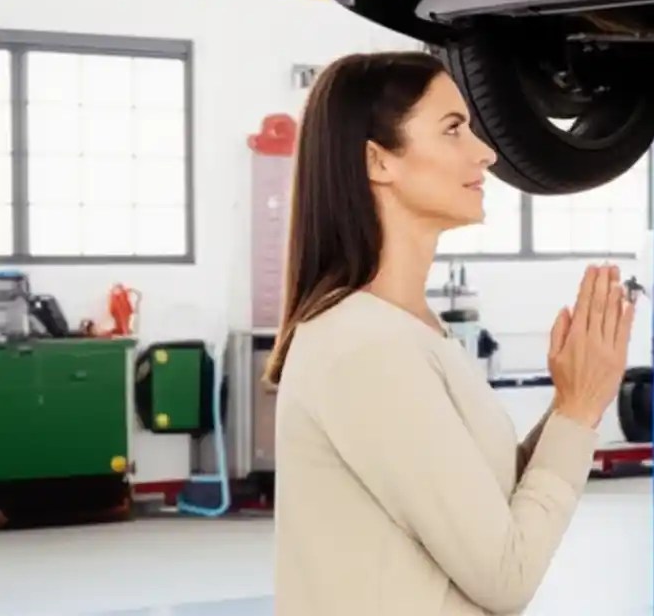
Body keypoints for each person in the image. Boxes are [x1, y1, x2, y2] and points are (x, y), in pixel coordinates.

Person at [266, 51, 635, 616]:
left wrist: (571, 400)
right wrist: (578, 413)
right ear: (378, 161)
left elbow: (480, 505)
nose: (485, 153)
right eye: (453, 129)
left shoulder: (405, 331)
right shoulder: (367, 349)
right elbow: (504, 575)